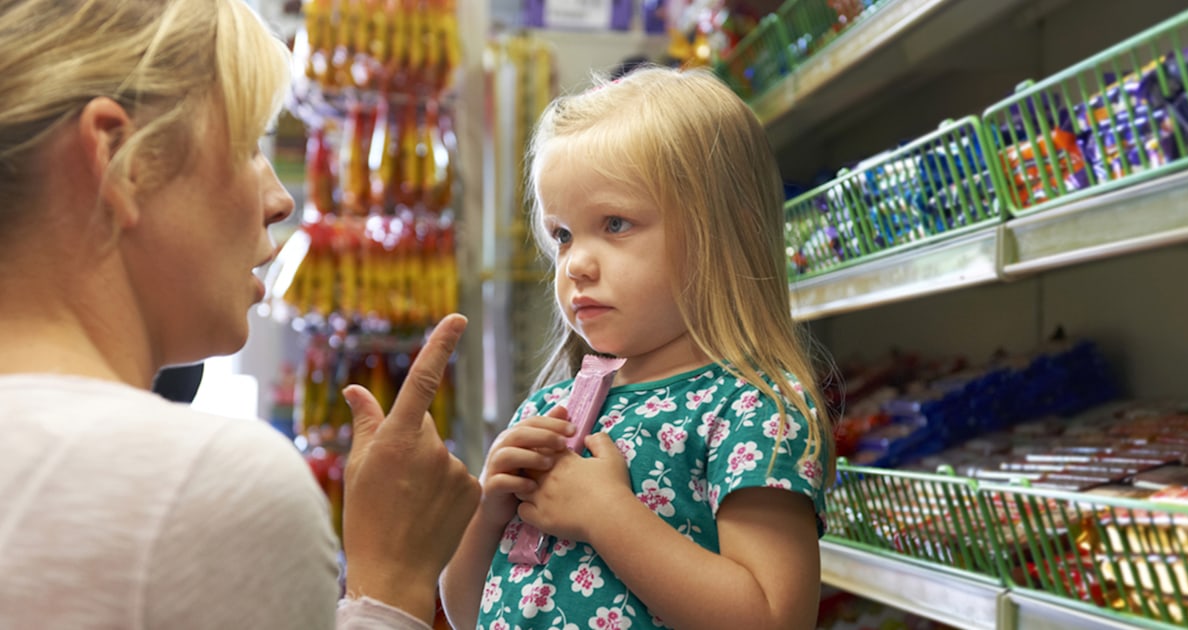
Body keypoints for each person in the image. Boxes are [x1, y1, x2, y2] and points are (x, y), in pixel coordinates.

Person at [0, 0, 478, 628]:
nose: (280, 200)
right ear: (124, 158)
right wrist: (393, 582)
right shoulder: (204, 488)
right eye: (249, 145)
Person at [440, 66, 836, 630]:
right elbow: (463, 612)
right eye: (562, 235)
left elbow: (771, 619)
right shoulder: (545, 411)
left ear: (720, 233)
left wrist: (607, 515)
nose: (575, 263)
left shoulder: (751, 412)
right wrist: (487, 510)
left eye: (616, 224)